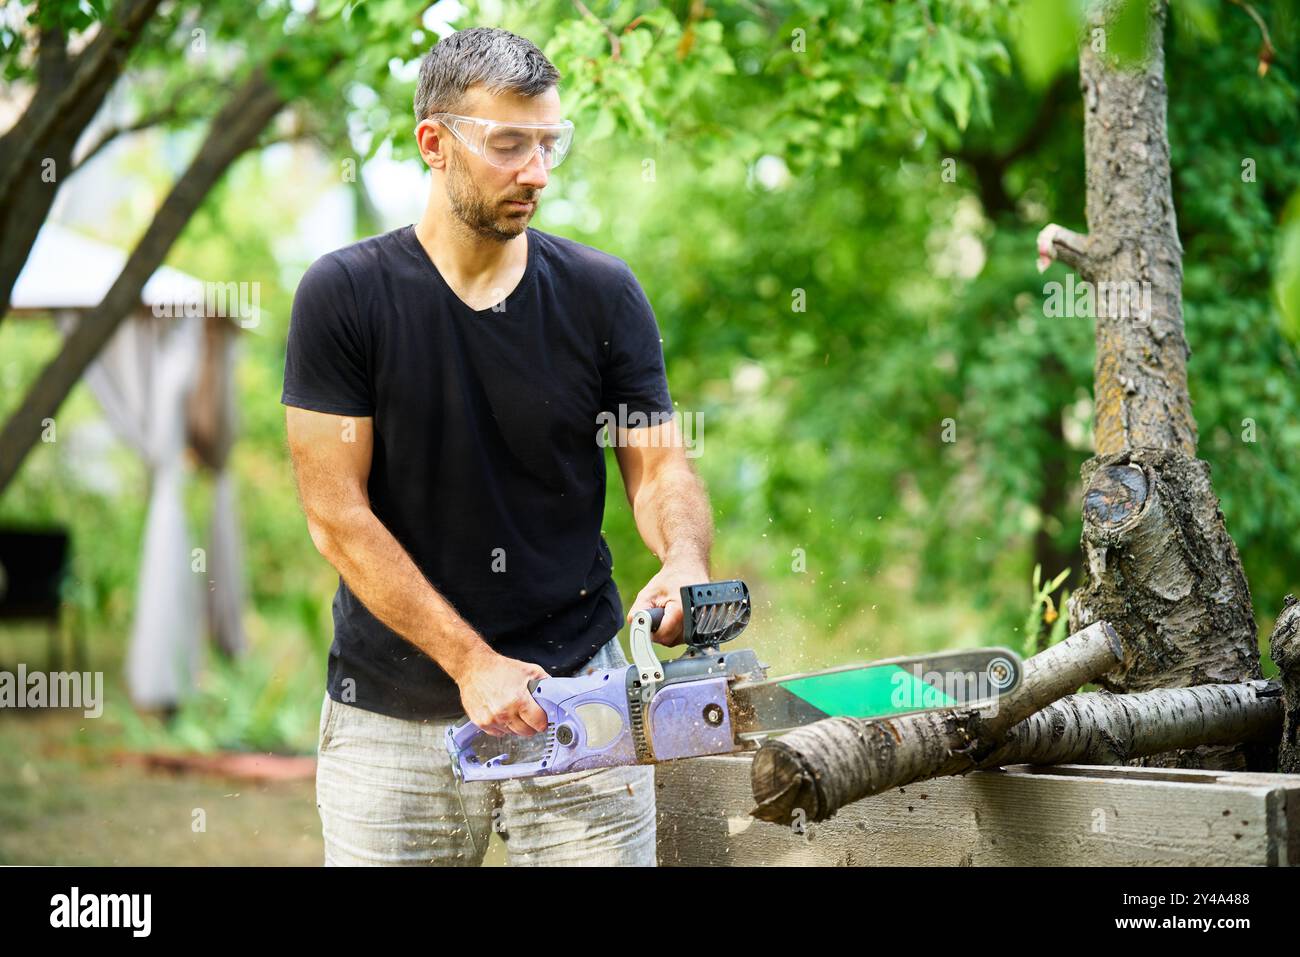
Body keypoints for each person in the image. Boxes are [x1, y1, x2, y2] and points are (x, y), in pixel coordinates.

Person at [282, 26, 714, 866]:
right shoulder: (345, 296)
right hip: (391, 724)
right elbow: (335, 515)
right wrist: (471, 661)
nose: (538, 171)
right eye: (510, 144)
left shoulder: (601, 293)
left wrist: (686, 557)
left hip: (579, 705)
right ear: (434, 144)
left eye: (549, 143)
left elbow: (659, 462)